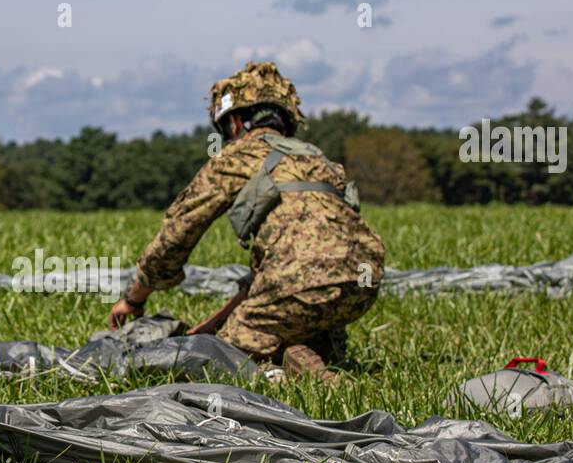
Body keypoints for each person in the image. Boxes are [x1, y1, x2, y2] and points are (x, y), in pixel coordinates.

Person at [108, 62, 384, 382]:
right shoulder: (318, 160)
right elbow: (279, 270)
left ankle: (285, 375)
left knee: (219, 362)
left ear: (236, 123)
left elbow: (178, 232)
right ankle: (314, 354)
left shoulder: (237, 158)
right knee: (288, 331)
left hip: (297, 285)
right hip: (361, 287)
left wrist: (135, 298)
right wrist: (211, 327)